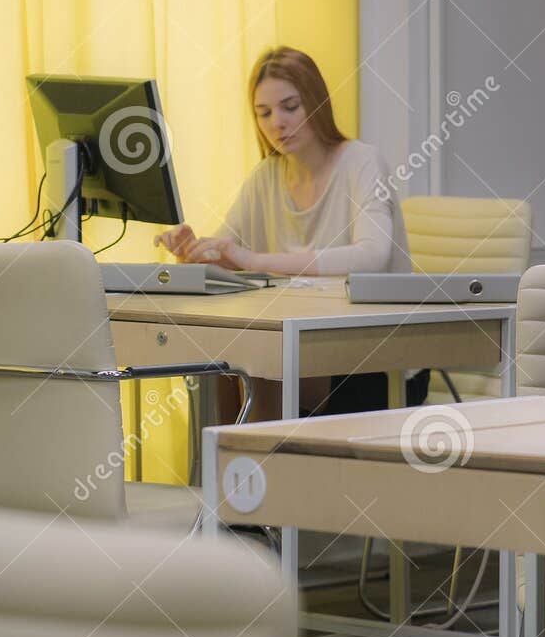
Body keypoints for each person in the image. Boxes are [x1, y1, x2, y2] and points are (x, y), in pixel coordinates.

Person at [156, 45, 421, 417]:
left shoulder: (362, 162)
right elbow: (226, 251)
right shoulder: (266, 177)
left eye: (290, 107)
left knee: (262, 364)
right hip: (298, 354)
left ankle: (249, 469)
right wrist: (194, 253)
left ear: (317, 102)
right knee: (230, 362)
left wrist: (252, 259)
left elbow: (371, 255)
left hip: (372, 360)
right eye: (263, 113)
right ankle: (234, 468)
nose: (276, 122)